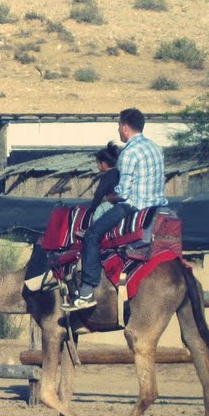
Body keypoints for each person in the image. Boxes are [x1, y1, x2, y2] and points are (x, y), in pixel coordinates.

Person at [66, 109, 166, 311]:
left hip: (133, 206)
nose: (119, 129)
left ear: (126, 127)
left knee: (92, 235)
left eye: (119, 125)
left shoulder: (129, 152)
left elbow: (124, 191)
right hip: (157, 206)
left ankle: (86, 292)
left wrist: (109, 196)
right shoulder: (156, 148)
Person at [88, 142, 120, 222]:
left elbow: (100, 193)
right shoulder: (118, 172)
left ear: (103, 163)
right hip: (120, 203)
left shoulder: (106, 176)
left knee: (98, 212)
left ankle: (91, 229)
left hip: (111, 204)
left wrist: (92, 207)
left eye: (97, 163)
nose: (97, 165)